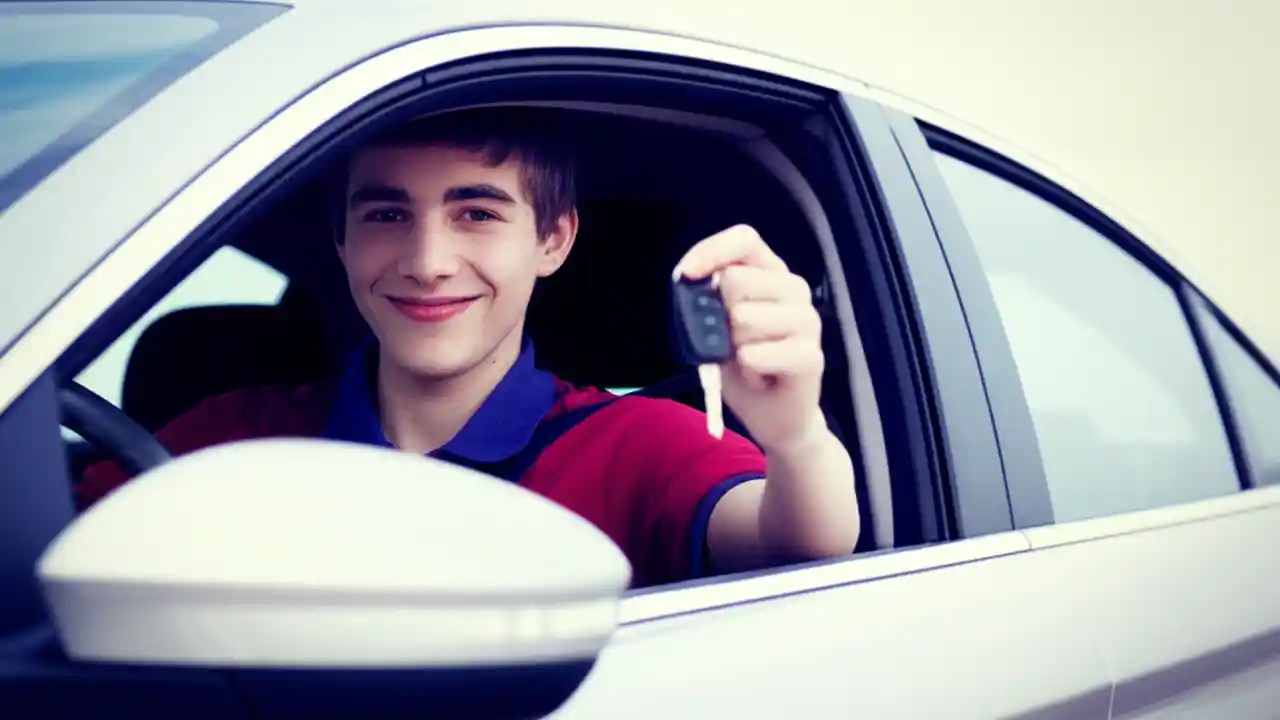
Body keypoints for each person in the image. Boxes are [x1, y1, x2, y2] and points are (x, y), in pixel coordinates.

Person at [78, 108, 859, 588]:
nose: (426, 261)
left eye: (476, 214)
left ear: (553, 239)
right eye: (386, 215)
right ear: (342, 243)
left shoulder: (642, 443)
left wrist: (794, 436)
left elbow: (802, 541)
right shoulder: (232, 438)